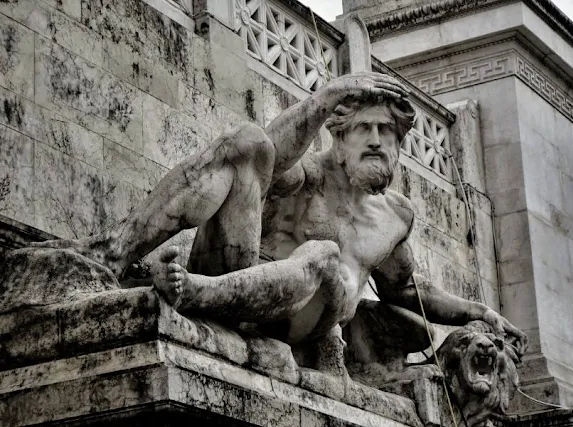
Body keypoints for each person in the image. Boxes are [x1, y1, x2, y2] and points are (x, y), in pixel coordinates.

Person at [35, 72, 526, 376]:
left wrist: (478, 311)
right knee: (245, 141)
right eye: (364, 129)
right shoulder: (311, 172)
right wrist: (321, 101)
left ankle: (191, 293)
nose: (378, 140)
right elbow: (268, 158)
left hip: (303, 325)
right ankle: (113, 254)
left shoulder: (396, 217)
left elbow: (404, 290)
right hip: (240, 277)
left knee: (324, 256)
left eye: (387, 132)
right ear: (339, 134)